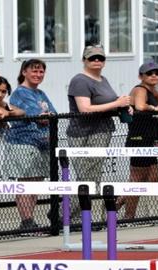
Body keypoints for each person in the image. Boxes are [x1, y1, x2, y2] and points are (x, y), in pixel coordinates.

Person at [65, 46, 131, 187]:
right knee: (86, 175)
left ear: (104, 62)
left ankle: (87, 201)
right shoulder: (80, 80)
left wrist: (123, 105)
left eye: (100, 58)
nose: (96, 60)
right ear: (84, 60)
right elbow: (85, 109)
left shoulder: (103, 79)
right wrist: (117, 103)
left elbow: (108, 101)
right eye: (92, 58)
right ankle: (77, 202)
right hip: (82, 133)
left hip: (102, 130)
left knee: (93, 174)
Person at [4, 58, 55, 231]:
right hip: (23, 142)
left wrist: (46, 116)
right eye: (34, 70)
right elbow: (39, 116)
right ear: (24, 72)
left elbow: (52, 113)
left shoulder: (40, 93)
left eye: (41, 71)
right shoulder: (20, 93)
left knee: (36, 181)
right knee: (26, 182)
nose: (38, 74)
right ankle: (26, 220)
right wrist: (44, 117)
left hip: (42, 144)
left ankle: (29, 219)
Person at [121, 61, 158, 221]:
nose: (154, 76)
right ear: (141, 76)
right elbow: (140, 106)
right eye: (149, 73)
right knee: (137, 178)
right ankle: (128, 216)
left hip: (148, 139)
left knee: (152, 178)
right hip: (138, 138)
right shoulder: (140, 89)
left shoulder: (153, 90)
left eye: (157, 73)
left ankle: (117, 202)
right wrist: (154, 108)